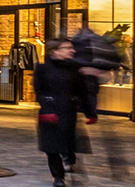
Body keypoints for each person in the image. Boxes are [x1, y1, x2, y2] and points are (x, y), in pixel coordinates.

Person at [36, 38, 95, 187]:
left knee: (66, 143)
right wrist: (47, 107)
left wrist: (90, 112)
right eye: (67, 48)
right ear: (55, 51)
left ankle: (69, 159)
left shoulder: (74, 70)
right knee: (51, 148)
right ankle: (58, 176)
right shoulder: (43, 69)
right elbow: (39, 91)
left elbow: (82, 92)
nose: (72, 50)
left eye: (71, 47)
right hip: (48, 114)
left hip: (68, 113)